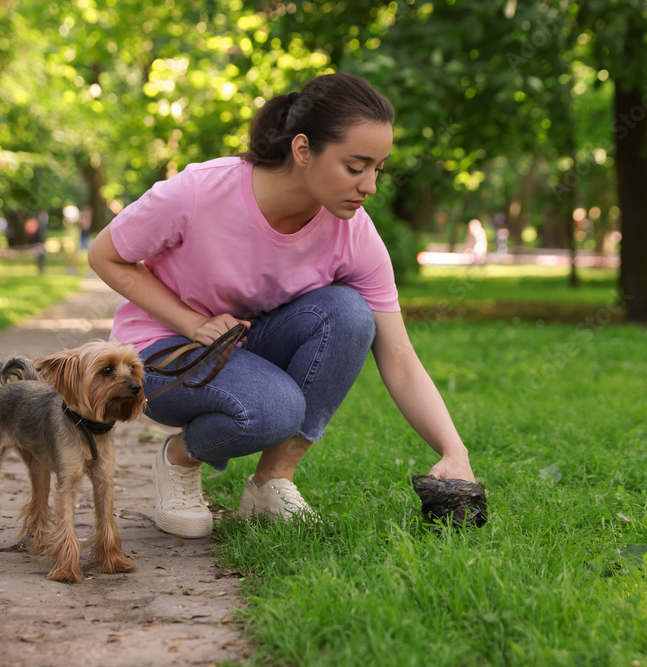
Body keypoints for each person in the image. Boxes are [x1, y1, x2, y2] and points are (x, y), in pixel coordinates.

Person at [88, 73, 476, 539]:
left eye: (379, 168)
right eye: (356, 167)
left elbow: (399, 355)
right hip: (159, 355)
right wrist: (193, 323)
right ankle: (180, 458)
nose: (370, 185)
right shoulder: (200, 191)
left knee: (351, 314)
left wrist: (455, 452)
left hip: (243, 349)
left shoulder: (354, 234)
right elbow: (105, 254)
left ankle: (273, 478)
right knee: (274, 409)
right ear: (303, 150)